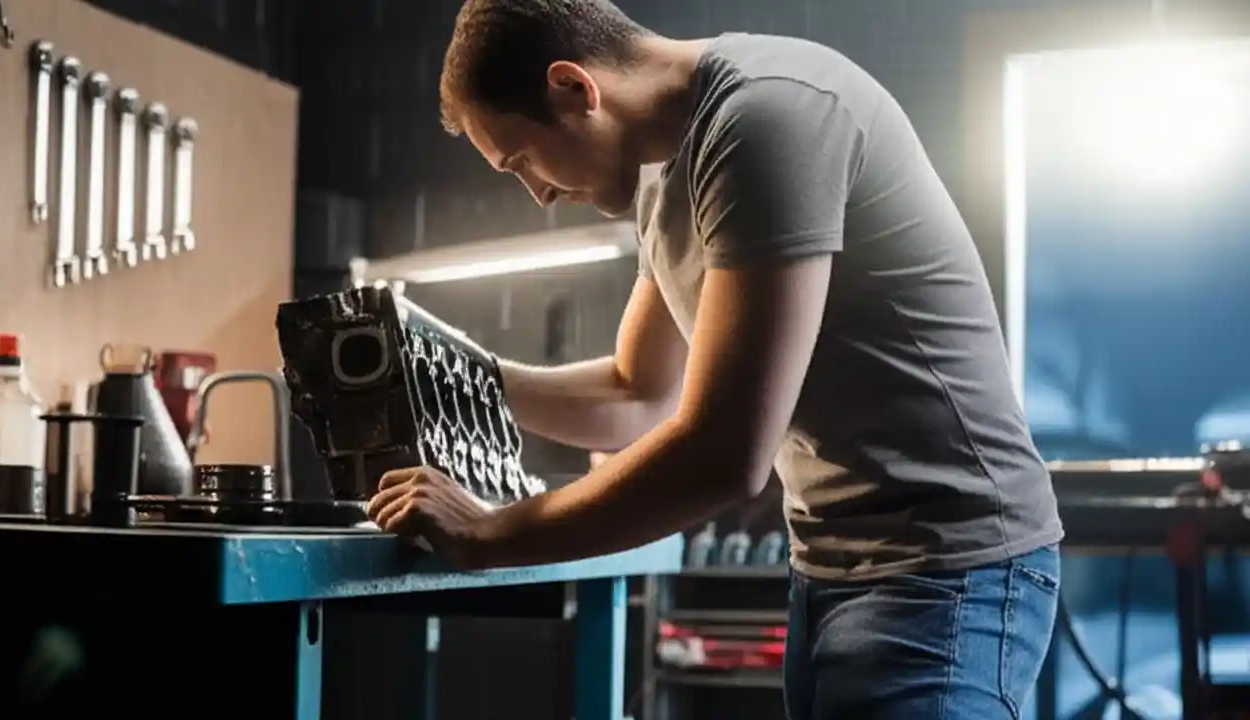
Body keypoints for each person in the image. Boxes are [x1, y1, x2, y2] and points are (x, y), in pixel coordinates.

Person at [365, 1, 1065, 717]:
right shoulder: (661, 174)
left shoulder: (767, 118)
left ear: (574, 88)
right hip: (832, 569)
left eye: (521, 162)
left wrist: (490, 533)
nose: (538, 193)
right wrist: (443, 372)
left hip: (947, 566)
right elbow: (635, 396)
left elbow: (726, 452)